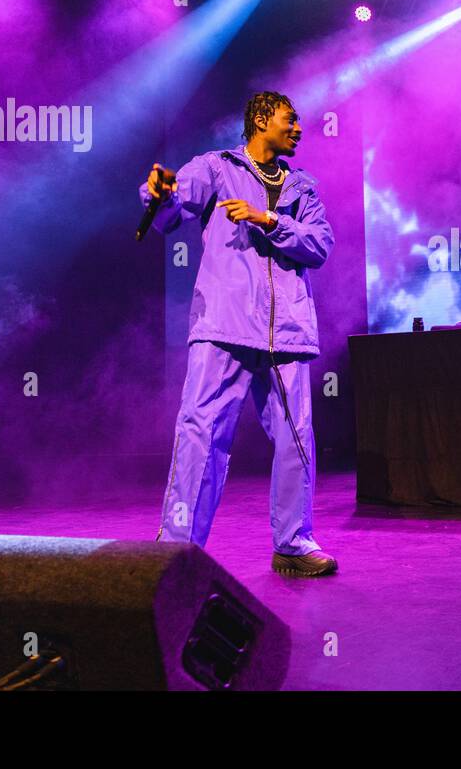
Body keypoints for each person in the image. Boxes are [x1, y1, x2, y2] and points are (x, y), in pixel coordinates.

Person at [139, 90, 337, 577]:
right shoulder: (217, 166)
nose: (298, 128)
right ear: (262, 119)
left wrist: (268, 218)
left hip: (286, 331)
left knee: (297, 438)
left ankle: (293, 543)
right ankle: (176, 549)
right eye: (290, 120)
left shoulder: (303, 187)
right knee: (200, 433)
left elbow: (320, 245)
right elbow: (170, 211)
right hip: (224, 324)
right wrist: (157, 194)